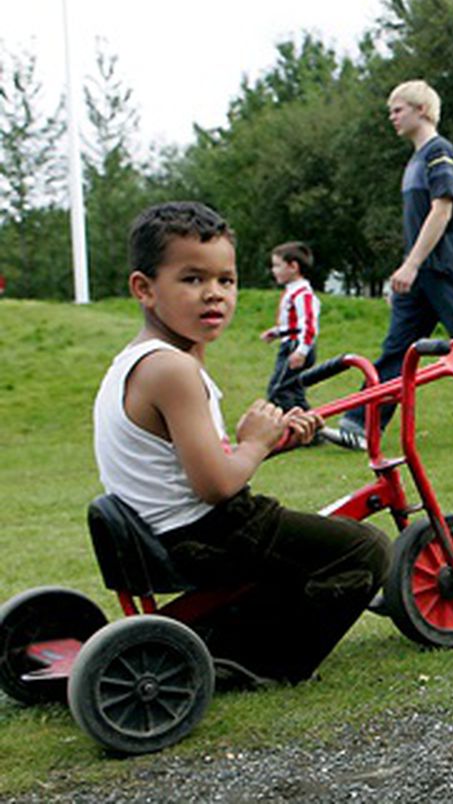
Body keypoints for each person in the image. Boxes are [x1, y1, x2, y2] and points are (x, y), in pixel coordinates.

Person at [93, 201, 391, 685]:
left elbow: (193, 467)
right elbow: (215, 486)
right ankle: (262, 659)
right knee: (367, 551)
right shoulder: (173, 369)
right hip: (209, 534)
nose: (214, 295)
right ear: (144, 289)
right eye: (192, 280)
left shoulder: (139, 361)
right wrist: (252, 443)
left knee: (307, 546)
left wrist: (271, 442)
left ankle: (230, 633)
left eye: (225, 281)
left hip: (173, 530)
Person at [322, 79, 453, 451]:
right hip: (420, 273)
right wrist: (406, 270)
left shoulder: (439, 152)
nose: (392, 117)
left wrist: (411, 265)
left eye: (398, 110)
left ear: (422, 111)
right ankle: (361, 426)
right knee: (396, 350)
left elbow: (441, 211)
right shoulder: (414, 160)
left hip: (444, 269)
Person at [260, 241, 320, 413]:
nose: (274, 270)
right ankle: (311, 430)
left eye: (277, 266)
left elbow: (309, 324)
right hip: (291, 342)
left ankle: (295, 428)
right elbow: (292, 323)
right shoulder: (293, 291)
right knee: (295, 390)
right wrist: (276, 332)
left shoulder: (303, 294)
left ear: (293, 266)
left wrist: (302, 350)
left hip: (295, 346)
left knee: (278, 389)